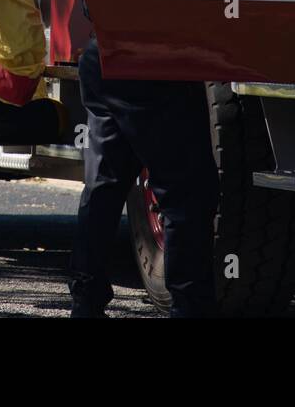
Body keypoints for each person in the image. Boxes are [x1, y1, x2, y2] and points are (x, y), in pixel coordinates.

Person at [68, 38, 220, 317]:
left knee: (103, 188)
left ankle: (85, 300)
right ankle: (190, 307)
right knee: (186, 194)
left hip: (103, 56)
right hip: (155, 62)